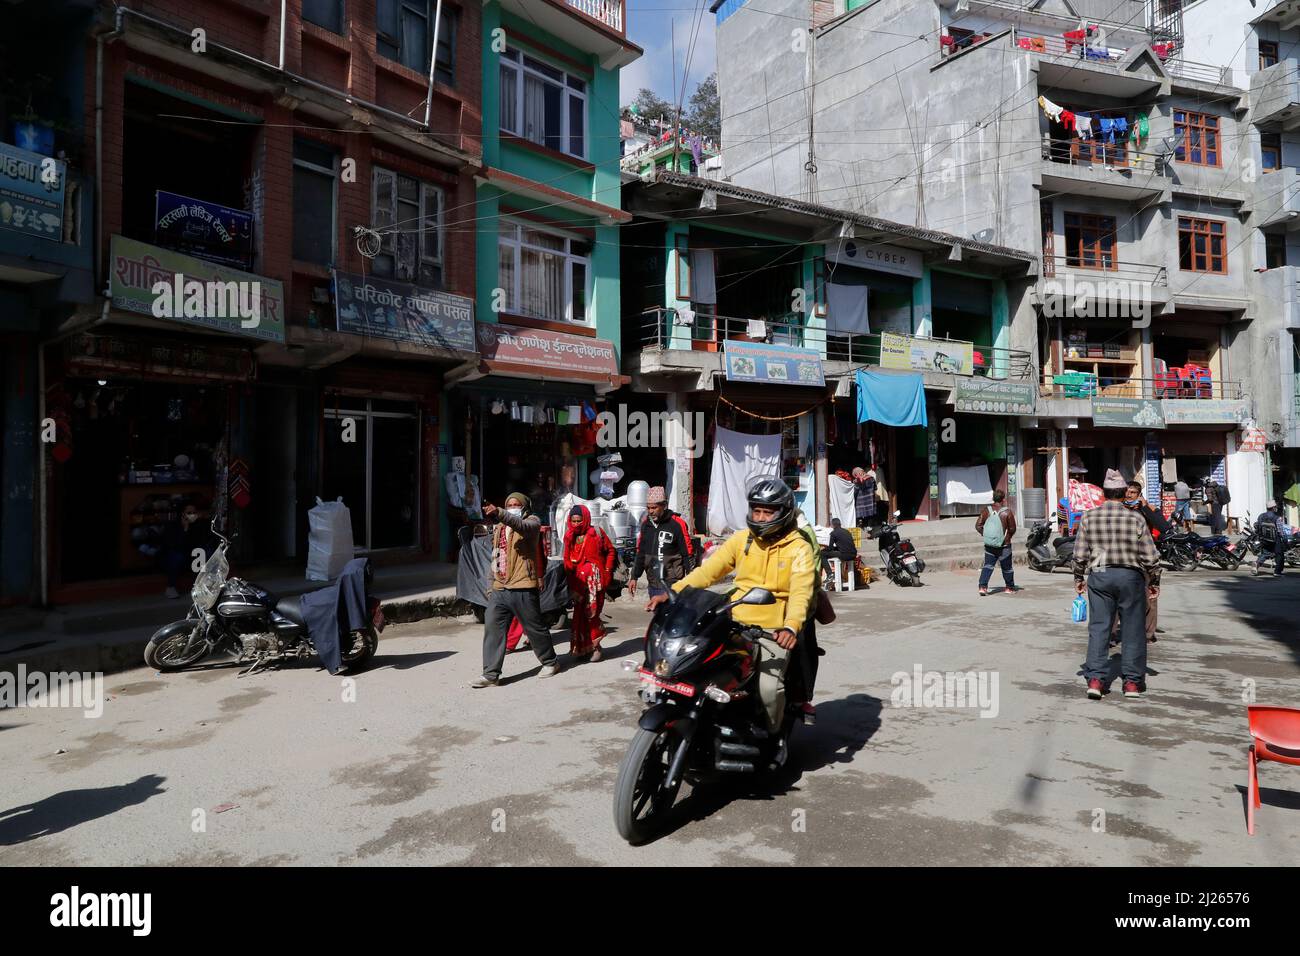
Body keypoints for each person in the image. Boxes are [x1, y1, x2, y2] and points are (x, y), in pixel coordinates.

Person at [646, 477, 815, 738]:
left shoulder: (799, 548)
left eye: (767, 512)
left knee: (770, 689)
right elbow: (708, 572)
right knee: (697, 670)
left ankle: (772, 737)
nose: (760, 517)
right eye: (756, 510)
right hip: (732, 617)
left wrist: (790, 627)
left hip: (772, 628)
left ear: (784, 513)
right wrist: (674, 593)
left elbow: (800, 593)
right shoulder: (742, 539)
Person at [1072, 470, 1161, 701]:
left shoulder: (1089, 517)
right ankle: (1131, 683)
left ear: (1103, 493)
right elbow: (1151, 556)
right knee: (1133, 629)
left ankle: (1095, 680)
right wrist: (1154, 580)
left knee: (1099, 627)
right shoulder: (1136, 518)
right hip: (1130, 575)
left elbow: (1080, 554)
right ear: (1124, 494)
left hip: (1100, 573)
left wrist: (1079, 578)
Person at [471, 492, 561, 688]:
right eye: (509, 504)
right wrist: (490, 587)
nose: (512, 507)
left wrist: (500, 512)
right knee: (493, 630)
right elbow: (496, 556)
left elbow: (521, 526)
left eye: (516, 504)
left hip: (523, 586)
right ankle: (491, 674)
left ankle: (550, 662)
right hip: (500, 587)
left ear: (524, 506)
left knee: (535, 628)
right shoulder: (500, 528)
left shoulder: (532, 522)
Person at [562, 504, 616, 662]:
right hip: (578, 585)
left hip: (595, 584)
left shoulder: (596, 533)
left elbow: (611, 551)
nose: (577, 524)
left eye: (579, 520)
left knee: (592, 616)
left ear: (585, 519)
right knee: (579, 618)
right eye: (574, 520)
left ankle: (596, 646)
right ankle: (582, 649)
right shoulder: (569, 536)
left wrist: (606, 572)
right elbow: (567, 560)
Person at [628, 486, 694, 599]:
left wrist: (692, 579)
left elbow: (686, 553)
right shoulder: (646, 525)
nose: (650, 511)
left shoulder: (676, 525)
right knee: (658, 614)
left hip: (673, 582)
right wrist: (634, 577)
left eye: (654, 507)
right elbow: (641, 553)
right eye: (648, 508)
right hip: (653, 582)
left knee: (672, 615)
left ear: (664, 505)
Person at [1122, 480, 1168, 642]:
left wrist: (1145, 507)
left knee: (1149, 597)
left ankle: (1148, 633)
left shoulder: (1149, 509)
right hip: (1124, 558)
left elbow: (1164, 527)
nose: (1129, 495)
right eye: (1127, 492)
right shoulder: (1119, 509)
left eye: (1133, 493)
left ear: (1139, 495)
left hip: (1145, 559)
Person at [160, 500, 215, 599]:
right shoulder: (173, 526)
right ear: (183, 514)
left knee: (203, 552)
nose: (192, 515)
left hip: (192, 555)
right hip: (177, 554)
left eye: (194, 512)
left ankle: (199, 585)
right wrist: (185, 529)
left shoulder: (198, 525)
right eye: (189, 513)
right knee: (176, 557)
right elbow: (175, 545)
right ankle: (171, 587)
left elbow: (201, 541)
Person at [974, 489, 1019, 596]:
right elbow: (1012, 529)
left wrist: (986, 535)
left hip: (989, 545)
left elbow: (978, 526)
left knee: (988, 566)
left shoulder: (986, 510)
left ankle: (982, 587)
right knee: (1007, 568)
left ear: (993, 499)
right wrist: (1007, 538)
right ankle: (1009, 587)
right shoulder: (1007, 512)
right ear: (1003, 499)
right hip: (1004, 545)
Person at [1254, 499, 1286, 578]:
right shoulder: (1277, 518)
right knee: (1280, 555)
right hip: (1275, 540)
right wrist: (1284, 539)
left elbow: (1258, 528)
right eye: (1275, 507)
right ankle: (1277, 572)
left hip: (1264, 539)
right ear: (1273, 507)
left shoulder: (1261, 516)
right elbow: (1280, 531)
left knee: (1265, 553)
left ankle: (1257, 564)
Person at [824, 517, 857, 589]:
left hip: (844, 555)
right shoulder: (847, 531)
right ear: (840, 524)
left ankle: (830, 574)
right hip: (853, 554)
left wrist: (824, 549)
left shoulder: (833, 533)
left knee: (822, 554)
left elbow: (830, 548)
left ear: (832, 525)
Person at [852, 467, 878, 535]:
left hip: (860, 501)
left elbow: (855, 492)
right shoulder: (871, 478)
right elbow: (875, 488)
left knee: (861, 514)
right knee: (870, 514)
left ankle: (861, 525)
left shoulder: (856, 481)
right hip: (870, 500)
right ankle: (870, 527)